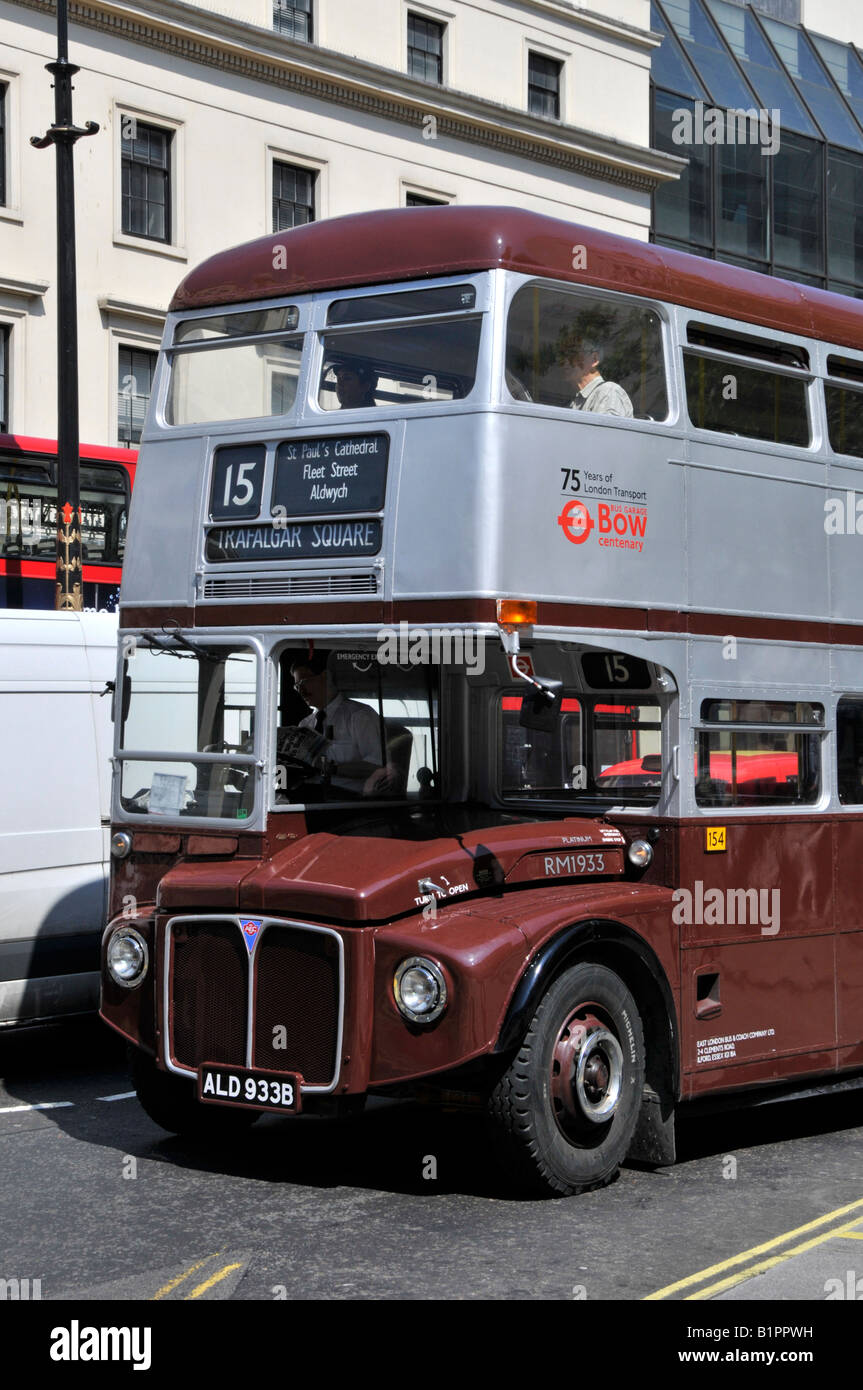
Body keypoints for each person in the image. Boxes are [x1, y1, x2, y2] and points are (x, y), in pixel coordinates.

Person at [282, 651, 400, 796]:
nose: (301, 691)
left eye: (303, 682)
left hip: (349, 800)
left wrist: (331, 768)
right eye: (296, 686)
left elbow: (378, 767)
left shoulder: (359, 715)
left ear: (325, 676)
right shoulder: (305, 724)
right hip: (310, 794)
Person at [559, 339, 633, 418]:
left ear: (594, 359)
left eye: (572, 355)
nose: (565, 361)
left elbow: (605, 430)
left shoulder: (608, 392)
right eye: (563, 356)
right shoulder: (574, 402)